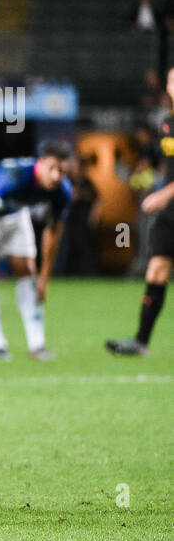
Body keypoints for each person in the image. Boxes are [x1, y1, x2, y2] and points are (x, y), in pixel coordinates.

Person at [0, 142, 73, 362]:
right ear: (40, 164)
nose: (56, 175)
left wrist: (44, 277)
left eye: (61, 170)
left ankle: (37, 345)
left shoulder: (63, 191)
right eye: (52, 167)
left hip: (14, 213)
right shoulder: (15, 177)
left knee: (27, 269)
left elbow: (53, 232)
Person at [108, 69, 174, 356]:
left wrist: (163, 193)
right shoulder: (167, 124)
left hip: (168, 200)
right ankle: (141, 342)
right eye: (173, 80)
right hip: (171, 213)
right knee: (157, 269)